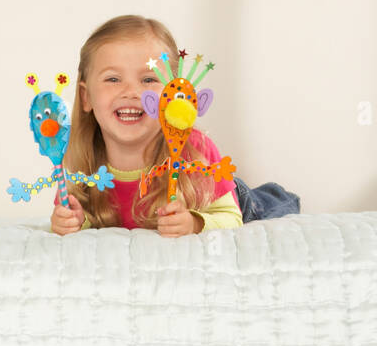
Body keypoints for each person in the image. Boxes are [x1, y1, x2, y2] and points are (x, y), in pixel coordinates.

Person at [50, 14, 243, 237]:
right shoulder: (80, 162)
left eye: (149, 80)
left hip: (240, 199)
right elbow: (83, 220)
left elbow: (231, 217)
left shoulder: (196, 149)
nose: (131, 92)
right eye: (113, 79)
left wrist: (194, 224)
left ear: (172, 93)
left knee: (272, 202)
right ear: (86, 97)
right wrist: (73, 221)